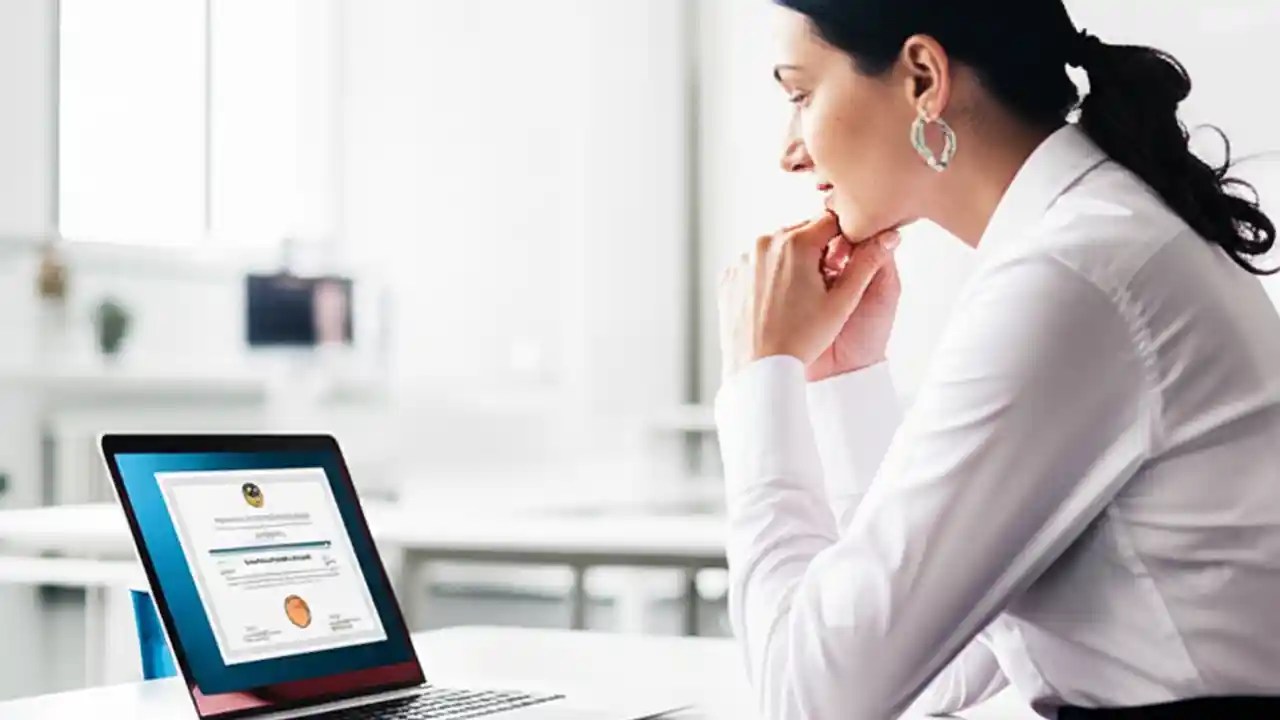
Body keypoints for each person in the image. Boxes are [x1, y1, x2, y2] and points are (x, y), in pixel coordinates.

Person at [714, 1, 1280, 719]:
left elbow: (810, 699)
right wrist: (844, 377)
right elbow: (933, 667)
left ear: (923, 76)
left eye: (800, 95)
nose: (790, 151)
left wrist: (760, 375)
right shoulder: (1092, 240)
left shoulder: (1073, 278)